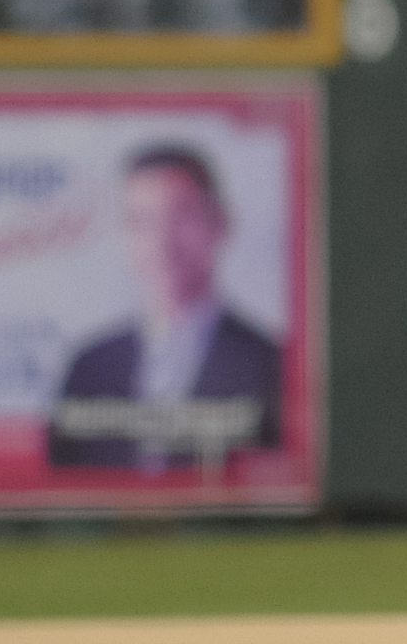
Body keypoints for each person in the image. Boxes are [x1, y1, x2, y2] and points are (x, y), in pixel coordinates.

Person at [47, 145, 282, 470]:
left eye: (180, 216)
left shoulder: (269, 364)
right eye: (141, 222)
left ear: (219, 223)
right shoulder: (89, 367)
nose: (162, 241)